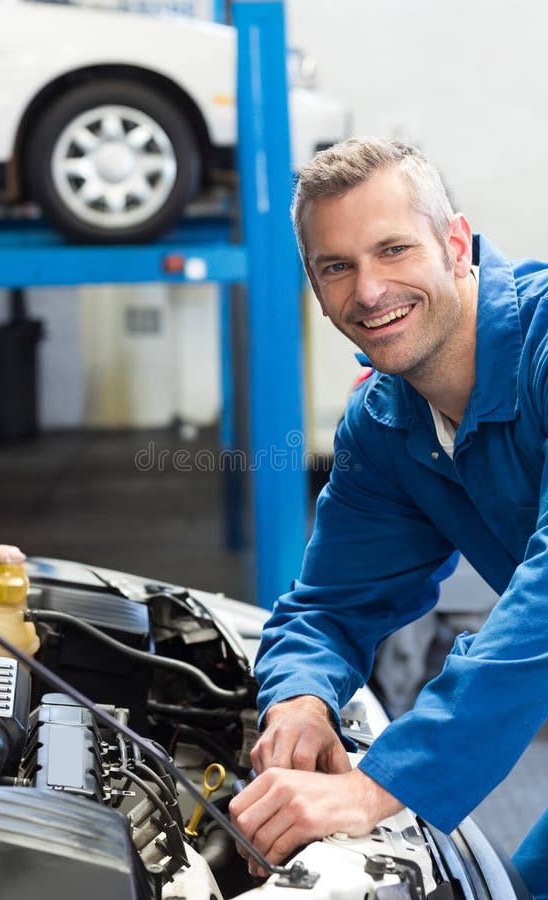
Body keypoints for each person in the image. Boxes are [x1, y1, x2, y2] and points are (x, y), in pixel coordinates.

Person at [228, 137, 548, 900]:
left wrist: (381, 783)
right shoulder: (384, 426)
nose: (369, 291)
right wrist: (299, 701)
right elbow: (330, 605)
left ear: (456, 244)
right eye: (336, 267)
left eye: (394, 250)